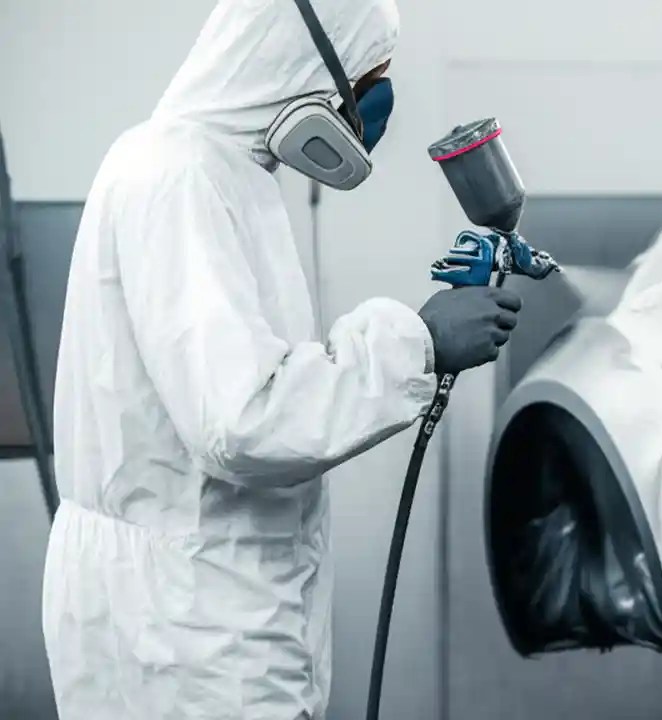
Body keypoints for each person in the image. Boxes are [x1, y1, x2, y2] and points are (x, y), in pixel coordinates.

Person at [40, 0, 518, 717]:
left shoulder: (217, 170)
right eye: (371, 76)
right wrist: (418, 342)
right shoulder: (181, 177)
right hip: (190, 631)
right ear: (302, 62)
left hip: (196, 603)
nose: (376, 102)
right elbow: (240, 419)